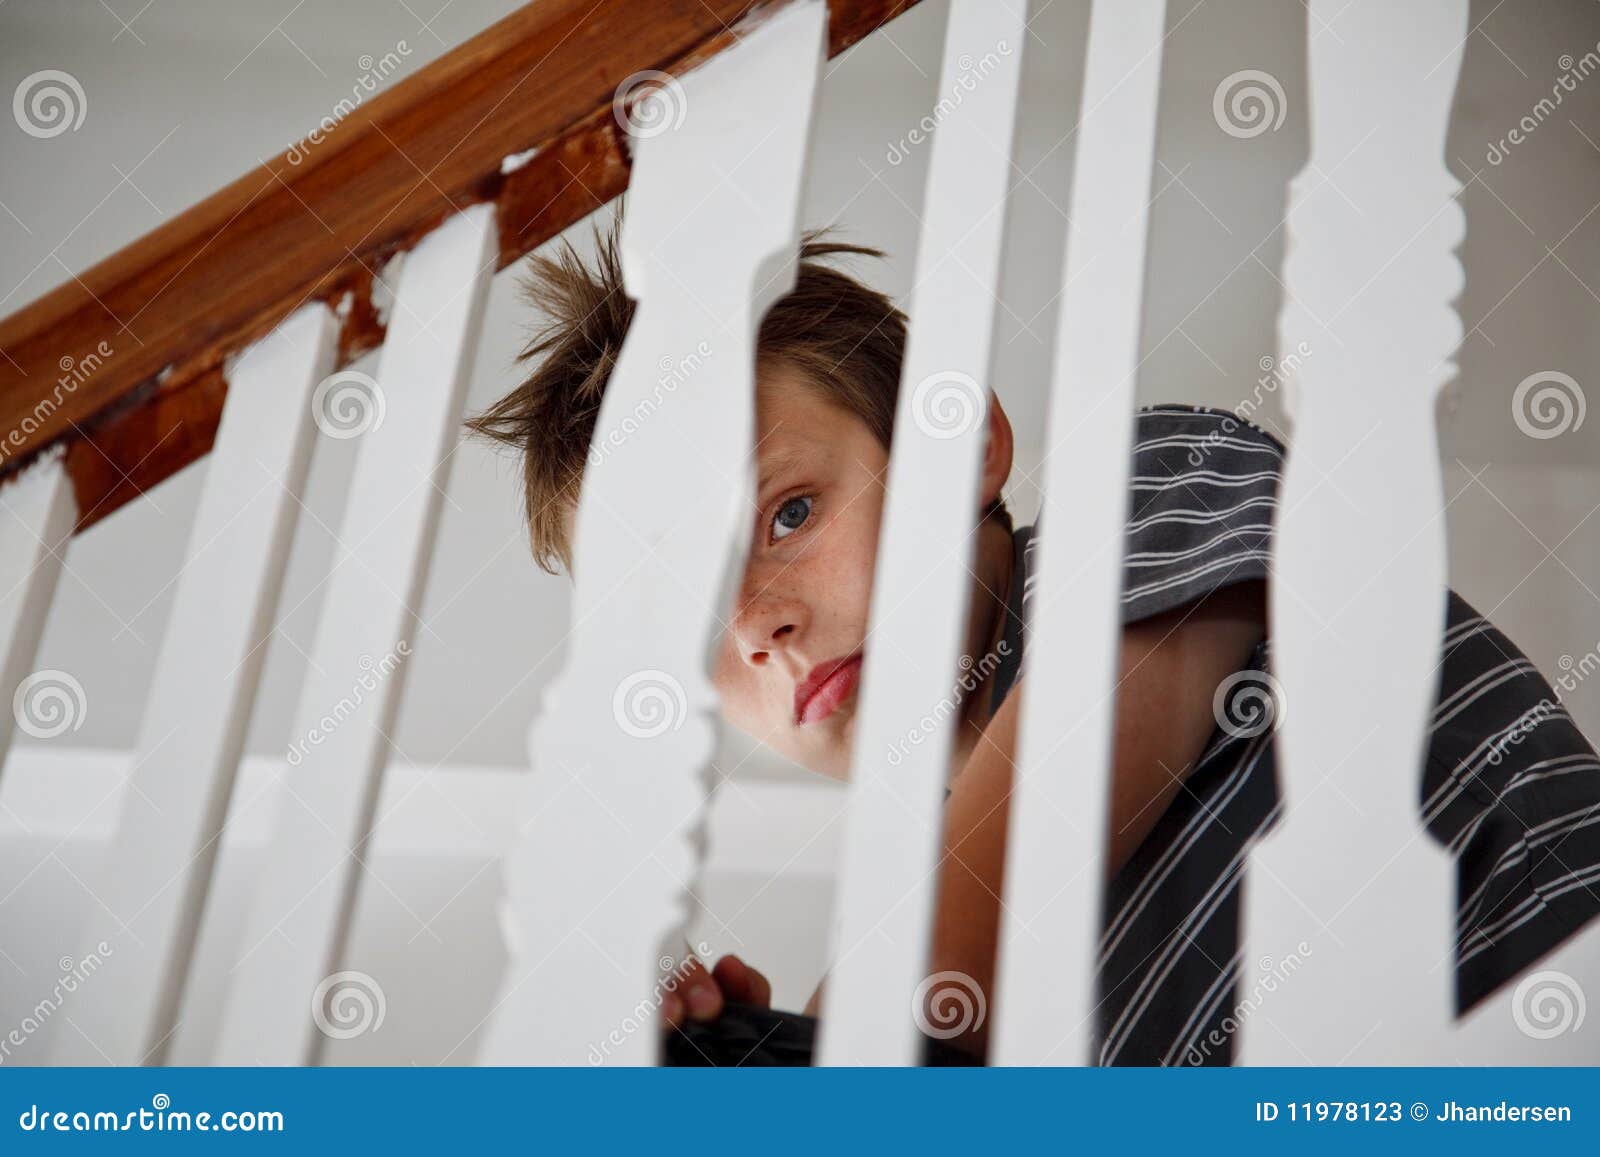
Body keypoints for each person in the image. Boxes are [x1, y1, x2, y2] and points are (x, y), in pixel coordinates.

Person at [467, 211, 1600, 1064]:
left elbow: (1014, 866)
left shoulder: (1151, 479)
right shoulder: (934, 967)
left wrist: (820, 1053)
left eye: (789, 514)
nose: (759, 620)